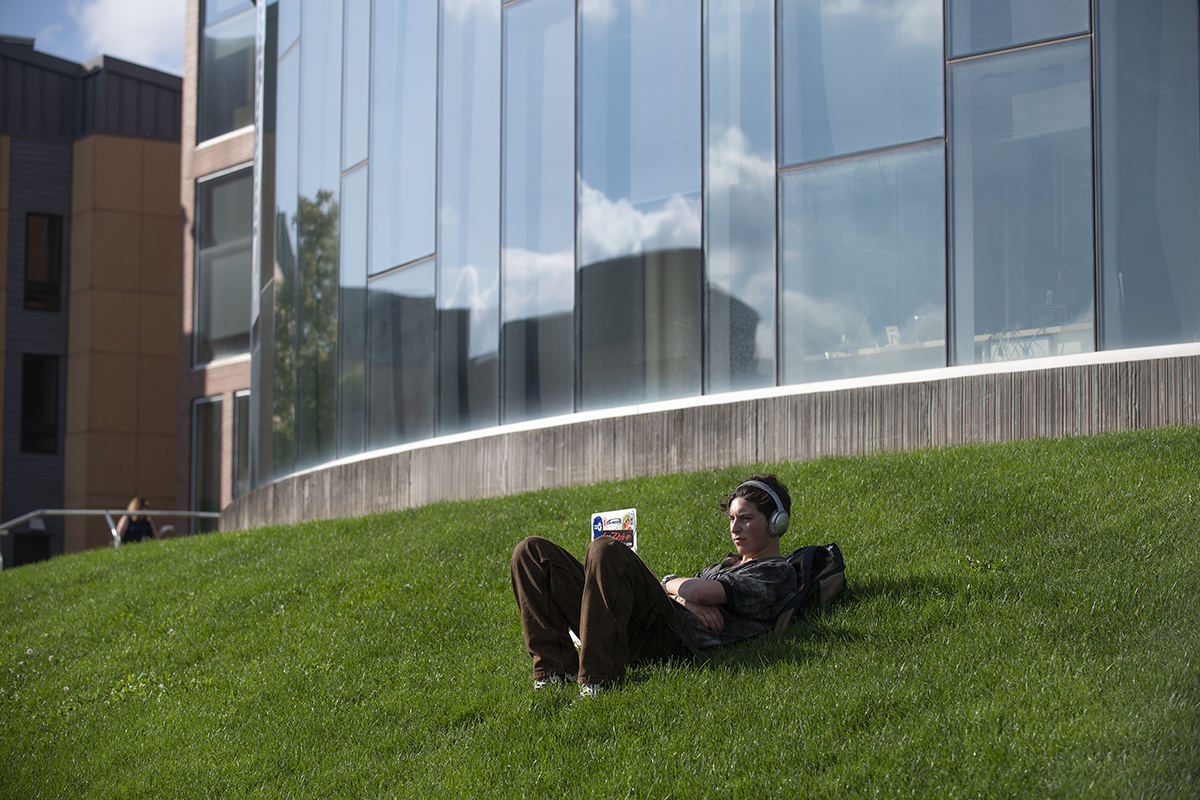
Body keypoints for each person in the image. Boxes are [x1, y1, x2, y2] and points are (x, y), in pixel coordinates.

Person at [510, 474, 798, 697]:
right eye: (733, 519)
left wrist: (676, 586)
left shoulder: (775, 572)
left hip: (677, 641)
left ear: (777, 523)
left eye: (746, 520)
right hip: (662, 622)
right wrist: (685, 598)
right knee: (531, 551)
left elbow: (698, 591)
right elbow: (689, 595)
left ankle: (600, 679)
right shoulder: (724, 565)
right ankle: (555, 671)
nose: (735, 528)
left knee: (605, 550)